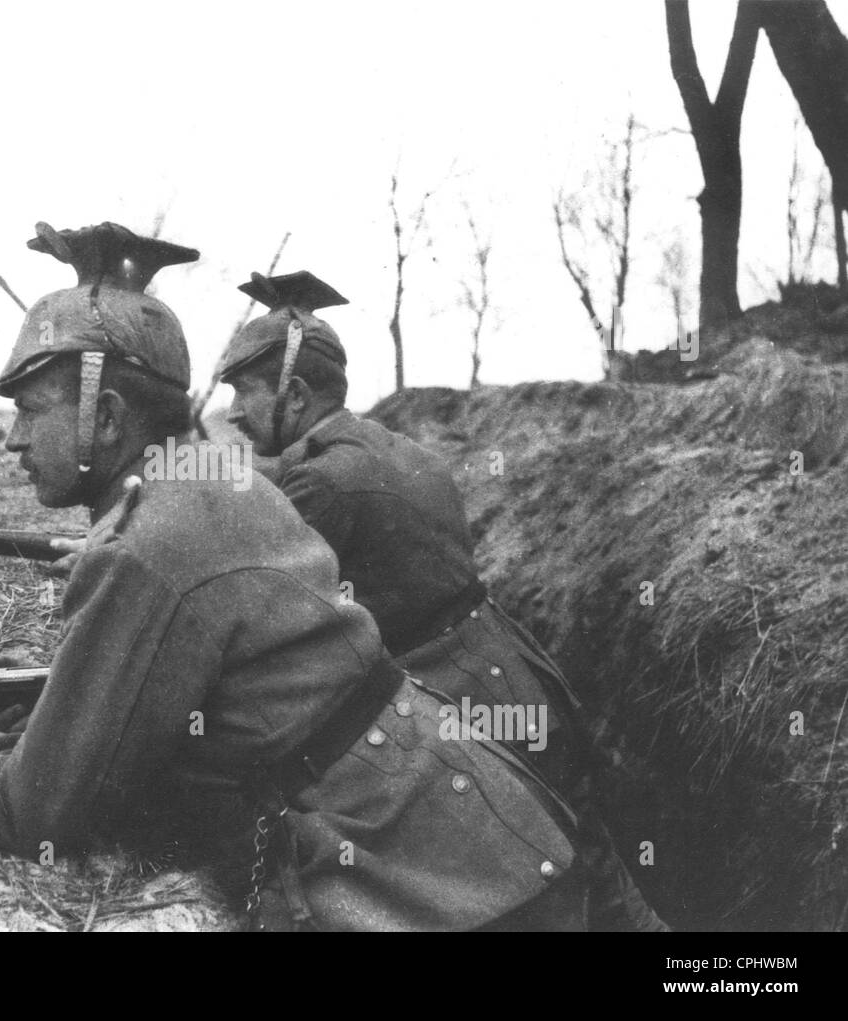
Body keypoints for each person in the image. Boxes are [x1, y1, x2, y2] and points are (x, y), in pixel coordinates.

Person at [0, 222, 596, 931]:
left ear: (107, 418)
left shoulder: (147, 543)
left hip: (441, 885)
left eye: (29, 409)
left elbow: (35, 810)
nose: (12, 438)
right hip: (473, 822)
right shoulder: (218, 475)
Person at [218, 269, 667, 931]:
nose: (232, 411)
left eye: (245, 390)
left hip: (457, 716)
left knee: (529, 902)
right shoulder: (398, 449)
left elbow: (255, 610)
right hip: (518, 679)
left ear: (299, 393)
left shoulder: (322, 481)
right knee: (597, 881)